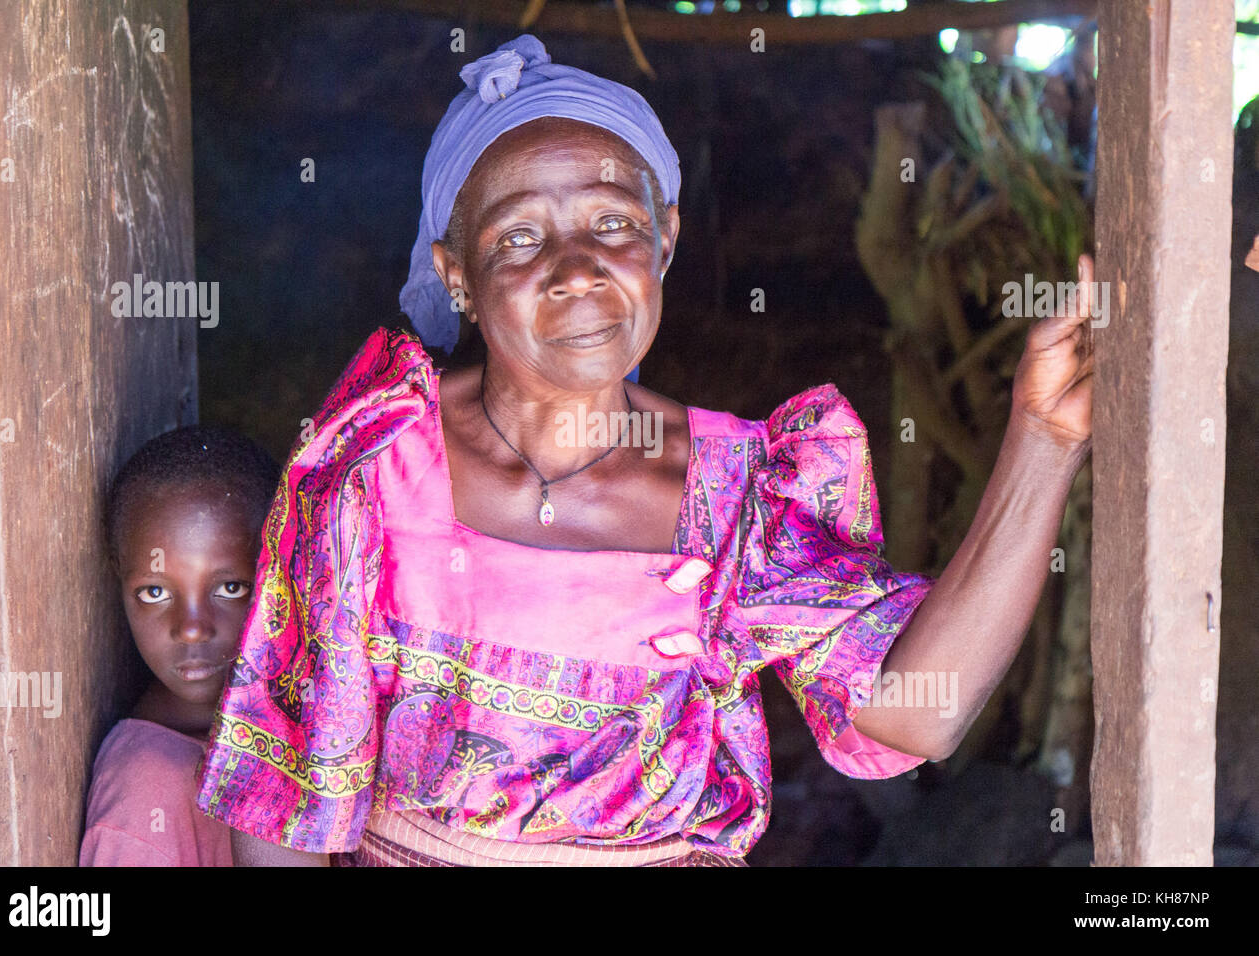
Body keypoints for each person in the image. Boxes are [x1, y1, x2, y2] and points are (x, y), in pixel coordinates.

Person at [197, 35, 1094, 866]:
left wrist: (1043, 440)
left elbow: (914, 717)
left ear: (663, 241)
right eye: (519, 236)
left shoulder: (740, 492)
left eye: (614, 224)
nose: (578, 266)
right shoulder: (374, 466)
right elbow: (283, 792)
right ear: (455, 274)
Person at [80, 426, 279, 866]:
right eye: (155, 593)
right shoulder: (146, 789)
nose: (192, 629)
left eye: (230, 587)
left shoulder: (306, 734)